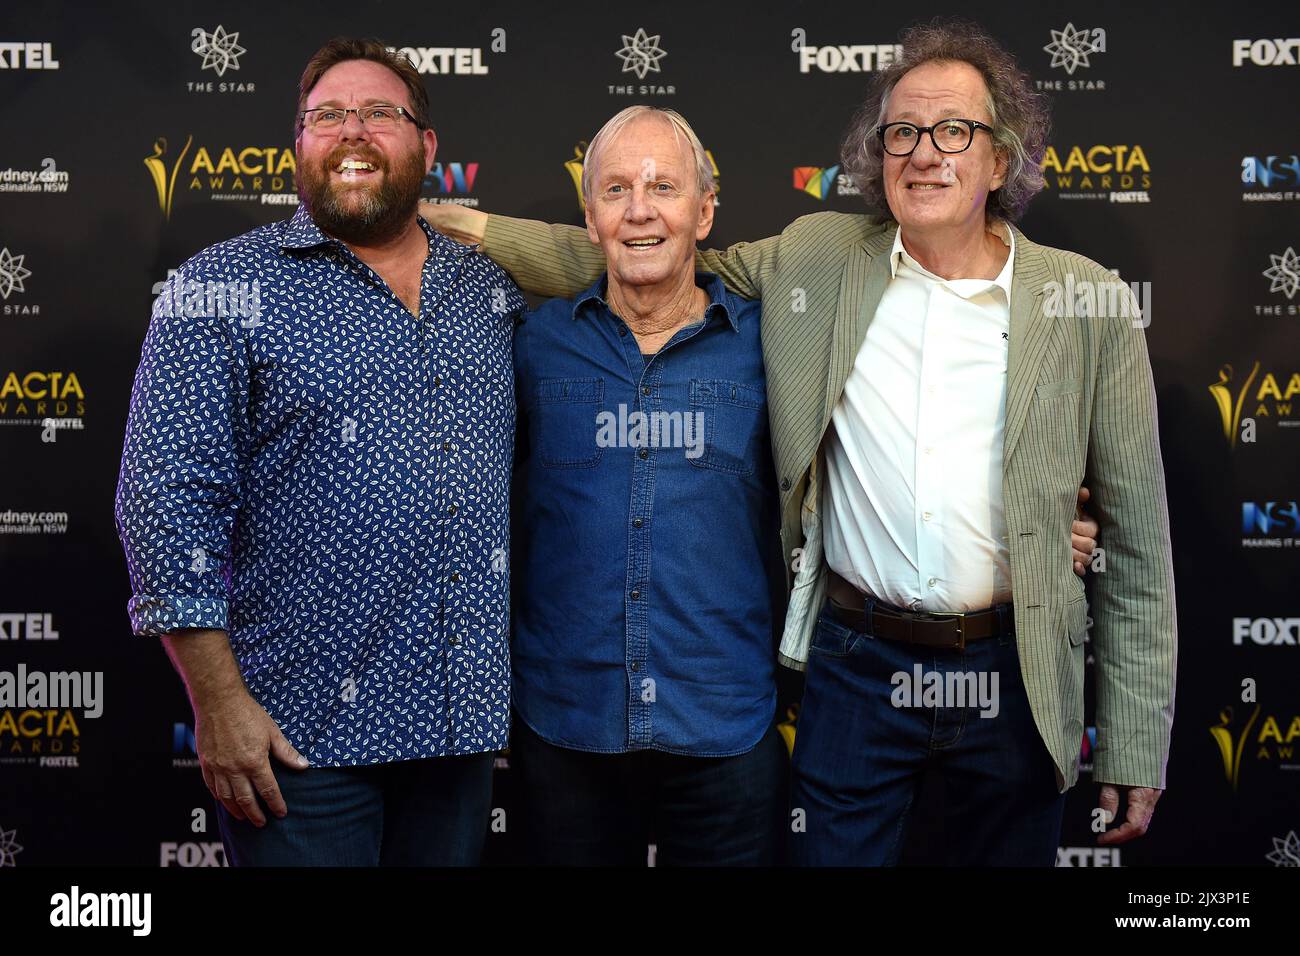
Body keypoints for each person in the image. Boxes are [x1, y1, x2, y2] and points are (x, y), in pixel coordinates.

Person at [418, 17, 1173, 866]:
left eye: (954, 131)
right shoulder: (817, 259)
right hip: (856, 673)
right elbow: (648, 256)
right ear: (876, 155)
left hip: (1016, 673)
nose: (925, 153)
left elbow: (1139, 546)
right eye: (902, 133)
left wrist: (1135, 741)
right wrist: (461, 230)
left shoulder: (1086, 301)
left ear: (1000, 159)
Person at [115, 37, 524, 866]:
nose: (353, 132)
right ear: (298, 143)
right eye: (327, 116)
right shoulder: (220, 288)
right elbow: (163, 500)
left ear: (427, 147)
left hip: (457, 732)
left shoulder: (490, 289)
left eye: (381, 113)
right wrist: (217, 703)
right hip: (296, 744)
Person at [507, 106, 789, 865]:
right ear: (590, 216)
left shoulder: (771, 346)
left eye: (664, 187)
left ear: (703, 212)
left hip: (724, 723)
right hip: (567, 724)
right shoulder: (535, 342)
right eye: (616, 189)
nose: (640, 209)